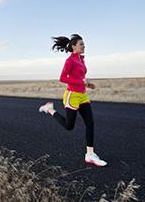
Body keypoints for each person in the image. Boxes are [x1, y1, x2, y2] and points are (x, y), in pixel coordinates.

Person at [39, 34, 107, 166]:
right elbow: (63, 78)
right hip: (72, 96)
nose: (83, 46)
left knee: (90, 123)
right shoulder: (70, 60)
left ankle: (90, 155)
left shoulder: (81, 59)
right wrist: (81, 82)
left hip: (82, 95)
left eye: (83, 44)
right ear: (74, 46)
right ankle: (50, 110)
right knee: (69, 126)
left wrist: (87, 84)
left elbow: (81, 78)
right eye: (81, 44)